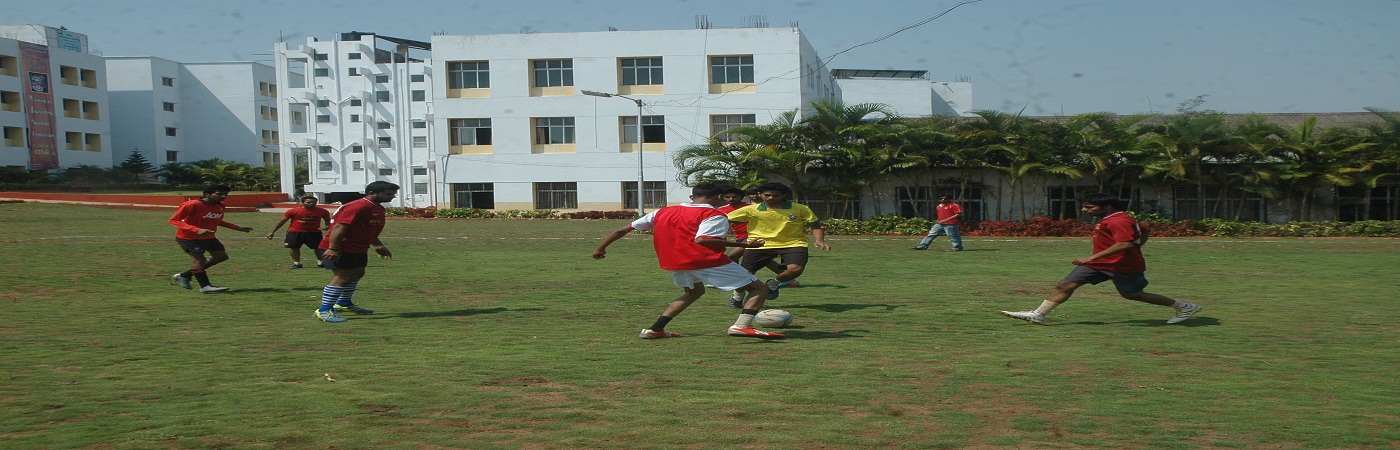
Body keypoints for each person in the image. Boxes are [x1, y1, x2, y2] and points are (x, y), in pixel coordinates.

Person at [592, 183, 784, 339]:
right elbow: (704, 240)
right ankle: (742, 326)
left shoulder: (663, 211)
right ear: (718, 198)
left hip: (673, 261)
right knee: (759, 288)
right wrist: (746, 246)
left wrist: (600, 248)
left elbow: (623, 229)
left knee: (693, 292)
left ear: (693, 196)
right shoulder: (713, 214)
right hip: (703, 259)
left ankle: (655, 330)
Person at [1000, 192, 1203, 325]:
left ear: (1106, 206)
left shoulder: (1118, 221)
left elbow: (1124, 243)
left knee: (1132, 295)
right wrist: (1137, 245)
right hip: (1101, 264)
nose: (1084, 210)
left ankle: (1184, 307)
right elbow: (1145, 230)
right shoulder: (1118, 218)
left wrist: (1092, 257)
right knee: (1065, 284)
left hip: (1122, 265)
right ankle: (1039, 315)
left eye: (1089, 207)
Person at [725, 182, 830, 301]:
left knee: (795, 269)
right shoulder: (750, 210)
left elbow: (815, 226)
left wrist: (819, 240)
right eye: (767, 195)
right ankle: (738, 295)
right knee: (745, 275)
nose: (771, 198)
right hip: (760, 244)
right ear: (760, 194)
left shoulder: (800, 209)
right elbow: (724, 218)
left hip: (794, 243)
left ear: (783, 195)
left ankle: (773, 283)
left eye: (775, 195)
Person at [313, 181, 398, 323]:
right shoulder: (358, 206)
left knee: (358, 273)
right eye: (388, 194)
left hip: (358, 247)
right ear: (372, 193)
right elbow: (339, 226)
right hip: (342, 248)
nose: (393, 196)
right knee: (343, 276)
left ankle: (344, 303)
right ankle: (324, 310)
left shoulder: (376, 207)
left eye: (393, 193)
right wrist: (333, 248)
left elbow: (366, 228)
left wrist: (378, 245)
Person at [169, 185, 254, 293]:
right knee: (199, 260)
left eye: (225, 194)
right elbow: (174, 220)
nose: (223, 196)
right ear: (207, 194)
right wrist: (197, 229)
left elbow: (217, 221)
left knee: (221, 256)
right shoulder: (191, 205)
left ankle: (184, 276)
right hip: (189, 237)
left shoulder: (221, 206)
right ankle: (205, 287)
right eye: (219, 194)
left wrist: (237, 228)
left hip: (208, 236)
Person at [266, 195, 332, 268]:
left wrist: (327, 226)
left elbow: (327, 220)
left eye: (313, 202)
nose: (311, 204)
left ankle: (321, 262)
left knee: (318, 247)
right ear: (303, 202)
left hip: (314, 232)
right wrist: (273, 232)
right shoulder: (293, 211)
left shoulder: (322, 211)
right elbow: (282, 221)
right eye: (308, 202)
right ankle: (297, 263)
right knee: (294, 247)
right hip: (295, 232)